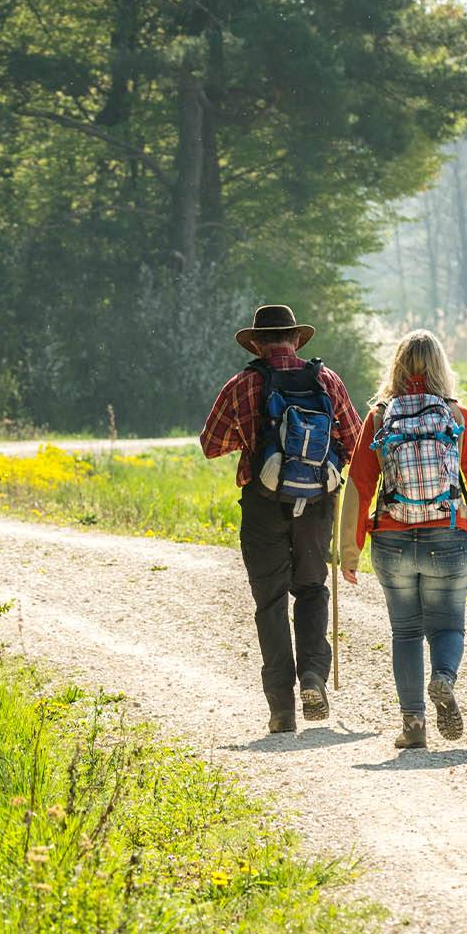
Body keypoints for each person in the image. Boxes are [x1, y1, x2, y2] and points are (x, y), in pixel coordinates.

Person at [339, 331, 467, 749]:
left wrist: (349, 550)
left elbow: (359, 486)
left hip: (392, 541)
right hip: (447, 534)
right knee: (448, 625)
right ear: (440, 366)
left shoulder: (379, 417)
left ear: (396, 366)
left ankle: (413, 725)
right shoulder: (457, 416)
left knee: (406, 632)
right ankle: (443, 679)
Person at [201, 304, 363, 734]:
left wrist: (253, 437)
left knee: (270, 603)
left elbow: (210, 445)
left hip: (261, 504)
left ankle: (282, 709)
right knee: (311, 589)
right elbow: (357, 439)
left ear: (256, 343)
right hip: (315, 503)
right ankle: (313, 675)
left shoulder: (242, 385)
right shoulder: (325, 380)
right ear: (295, 340)